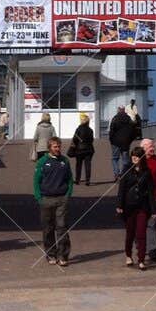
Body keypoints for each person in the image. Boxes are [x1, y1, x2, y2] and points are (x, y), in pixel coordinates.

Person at [33, 134, 73, 267]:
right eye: (55, 146)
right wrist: (39, 198)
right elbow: (36, 181)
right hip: (46, 199)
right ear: (49, 148)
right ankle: (51, 254)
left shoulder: (65, 161)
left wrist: (68, 195)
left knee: (62, 227)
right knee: (48, 229)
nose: (58, 148)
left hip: (62, 199)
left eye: (59, 146)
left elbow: (69, 179)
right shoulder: (42, 162)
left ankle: (63, 255)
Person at [115, 144, 155, 270]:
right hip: (129, 206)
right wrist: (119, 205)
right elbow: (121, 189)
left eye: (137, 156)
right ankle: (128, 254)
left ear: (141, 158)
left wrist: (153, 210)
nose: (134, 158)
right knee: (130, 233)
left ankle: (141, 259)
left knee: (141, 233)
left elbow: (150, 192)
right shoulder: (126, 170)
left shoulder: (147, 172)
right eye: (133, 156)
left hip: (142, 206)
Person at [141, 137, 156, 262]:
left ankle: (152, 250)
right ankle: (141, 247)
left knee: (151, 224)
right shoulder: (137, 160)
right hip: (139, 198)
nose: (153, 148)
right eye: (150, 146)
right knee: (139, 224)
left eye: (153, 146)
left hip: (154, 197)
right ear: (143, 148)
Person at [108, 105, 137, 180]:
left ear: (118, 110)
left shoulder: (115, 118)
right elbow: (133, 131)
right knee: (125, 160)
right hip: (126, 142)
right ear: (124, 110)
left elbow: (111, 131)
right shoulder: (129, 119)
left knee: (115, 158)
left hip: (115, 142)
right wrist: (129, 140)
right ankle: (124, 174)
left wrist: (111, 140)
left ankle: (116, 174)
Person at [69, 113, 95, 185]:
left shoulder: (78, 129)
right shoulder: (90, 130)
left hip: (79, 149)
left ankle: (77, 180)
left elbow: (75, 139)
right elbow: (91, 140)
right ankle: (87, 180)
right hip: (89, 149)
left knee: (78, 165)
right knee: (88, 165)